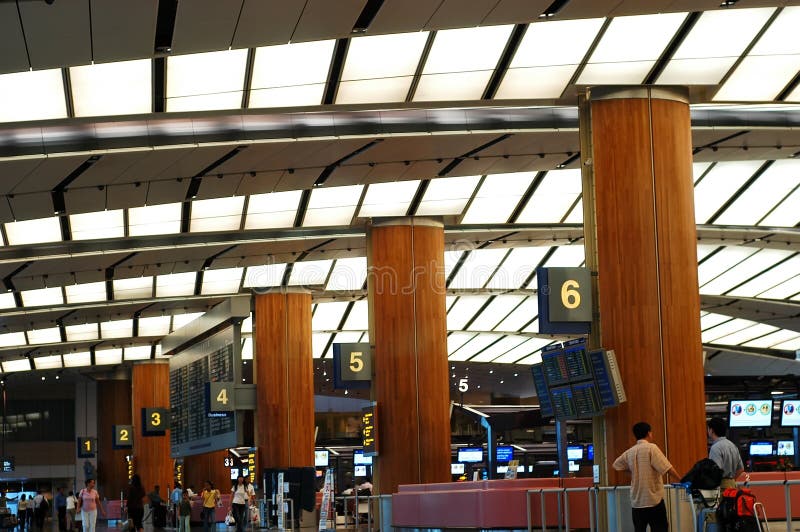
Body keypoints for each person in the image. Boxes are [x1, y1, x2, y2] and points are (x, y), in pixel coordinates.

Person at [613, 421, 680, 532]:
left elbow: (616, 465)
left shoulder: (630, 452)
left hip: (637, 503)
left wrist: (632, 472)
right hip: (653, 501)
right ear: (649, 433)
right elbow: (667, 468)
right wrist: (681, 479)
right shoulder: (651, 448)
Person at [707, 417, 745, 489]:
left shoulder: (715, 448)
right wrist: (731, 481)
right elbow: (741, 469)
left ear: (711, 430)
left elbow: (716, 472)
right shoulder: (733, 446)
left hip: (721, 488)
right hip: (733, 486)